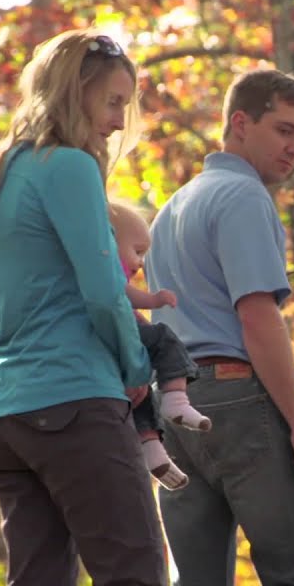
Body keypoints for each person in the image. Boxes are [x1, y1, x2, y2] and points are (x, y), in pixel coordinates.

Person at [0, 29, 168, 586]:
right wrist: (138, 367)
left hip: (6, 416)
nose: (116, 121)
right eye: (111, 102)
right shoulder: (68, 168)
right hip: (77, 403)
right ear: (74, 91)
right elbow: (102, 290)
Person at [144, 69, 294, 586]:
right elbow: (259, 320)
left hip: (172, 417)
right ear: (239, 123)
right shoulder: (244, 197)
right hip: (234, 402)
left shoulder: (173, 207)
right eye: (284, 130)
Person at [109, 201, 211, 490]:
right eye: (137, 251)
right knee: (164, 338)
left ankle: (153, 449)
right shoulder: (105, 267)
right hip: (118, 338)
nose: (141, 262)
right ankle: (176, 398)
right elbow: (123, 294)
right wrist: (154, 301)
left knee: (142, 394)